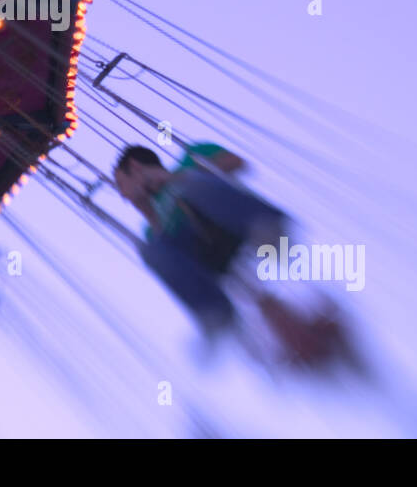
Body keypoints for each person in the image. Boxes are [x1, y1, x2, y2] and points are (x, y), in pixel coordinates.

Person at [115, 142, 345, 364]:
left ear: (135, 167)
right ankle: (214, 311)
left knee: (192, 184)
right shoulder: (152, 224)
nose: (124, 196)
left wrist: (171, 179)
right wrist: (145, 208)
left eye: (122, 185)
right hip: (206, 255)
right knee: (151, 249)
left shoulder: (190, 159)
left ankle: (267, 229)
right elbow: (167, 249)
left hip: (233, 223)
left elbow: (237, 163)